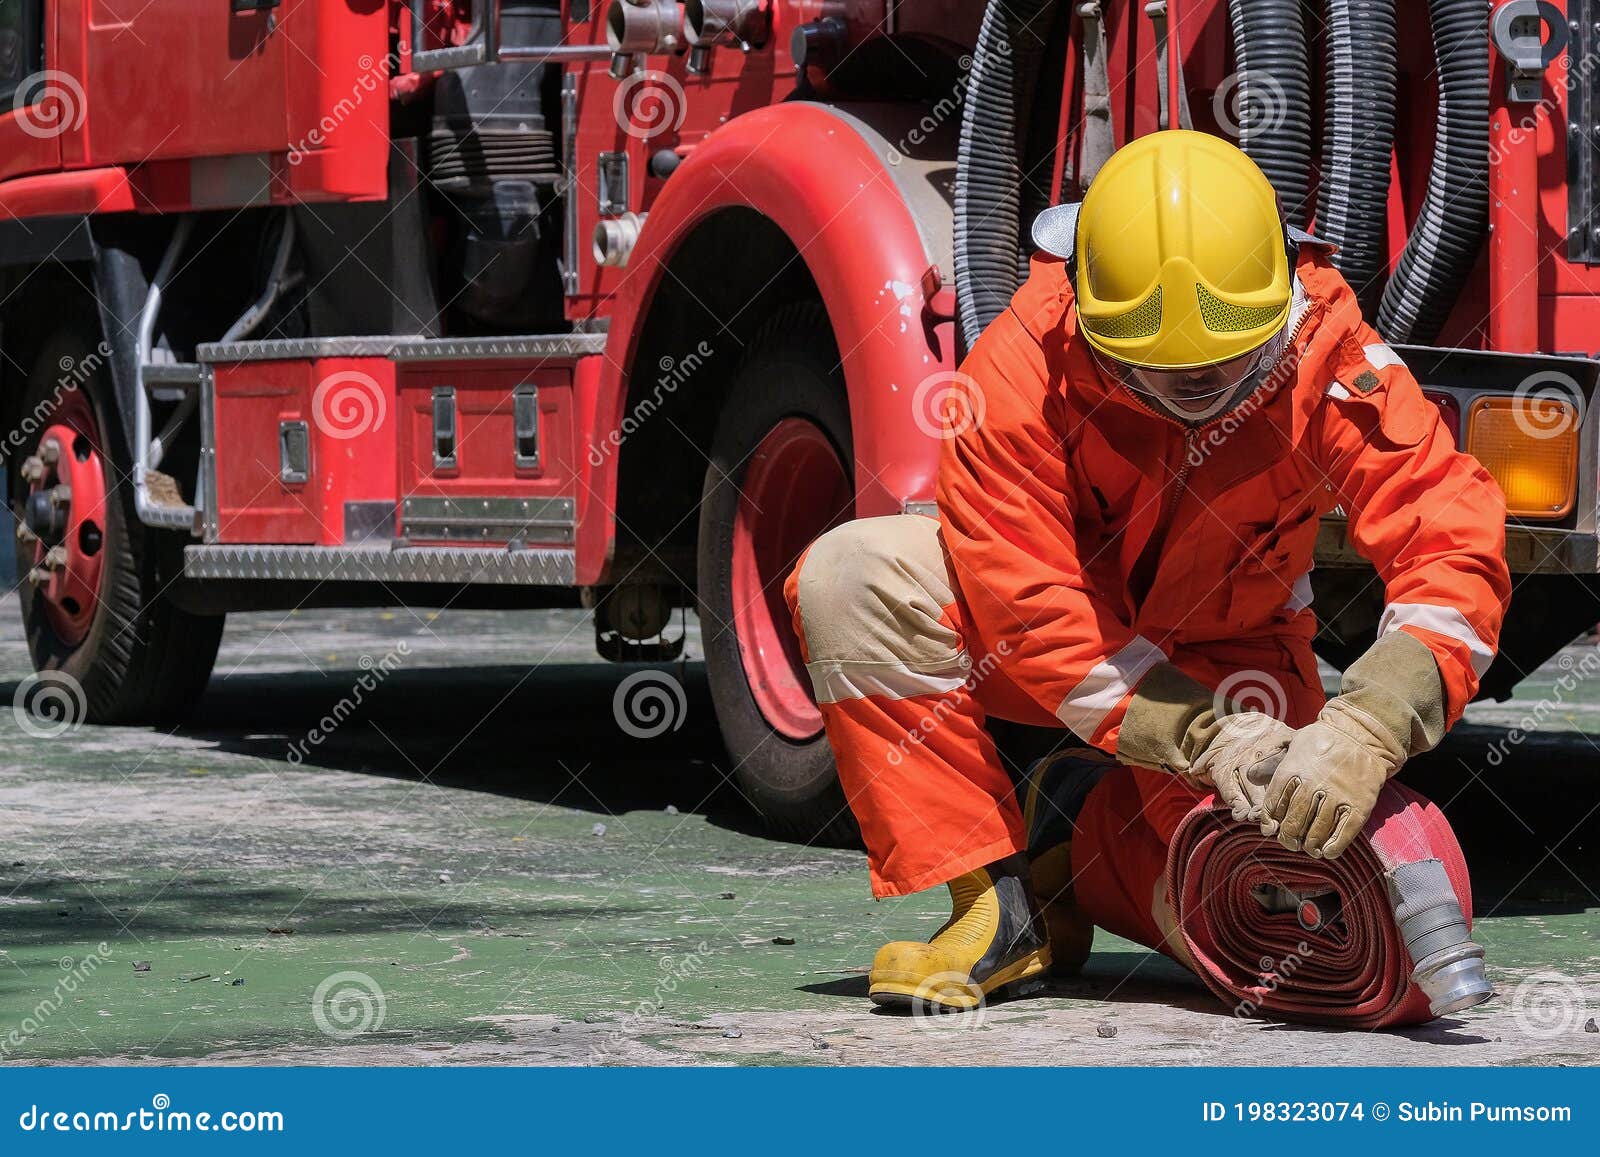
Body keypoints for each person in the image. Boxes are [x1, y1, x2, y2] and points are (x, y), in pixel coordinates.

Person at [783, 130, 1510, 1012]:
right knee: (851, 575)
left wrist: (1370, 726)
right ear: (1089, 314)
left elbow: (1449, 540)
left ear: (1277, 304)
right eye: (1162, 368)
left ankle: (1079, 842)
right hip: (1054, 659)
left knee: (1296, 933)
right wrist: (1208, 740)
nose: (1197, 383)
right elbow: (1034, 613)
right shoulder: (1018, 368)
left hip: (1232, 664)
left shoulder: (1329, 349)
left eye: (1226, 361)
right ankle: (991, 905)